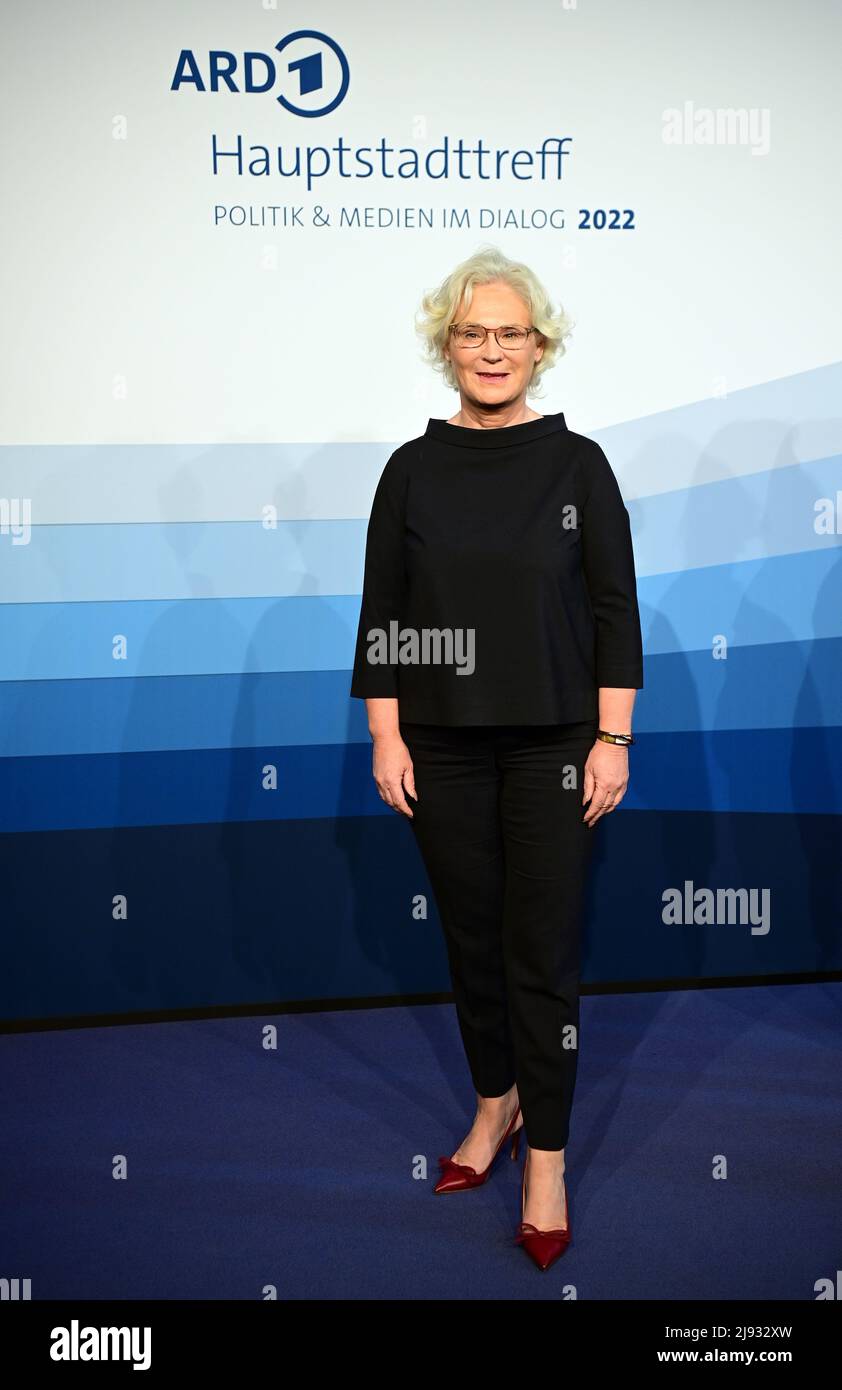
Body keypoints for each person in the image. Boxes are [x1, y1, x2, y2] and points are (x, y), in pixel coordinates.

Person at [350, 245, 644, 1270]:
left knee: (540, 954)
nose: (491, 349)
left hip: (556, 744)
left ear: (539, 346)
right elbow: (383, 614)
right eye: (472, 333)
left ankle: (546, 1157)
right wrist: (386, 735)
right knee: (471, 941)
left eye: (509, 333)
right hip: (439, 747)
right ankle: (492, 1105)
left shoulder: (576, 464)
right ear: (447, 346)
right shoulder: (411, 468)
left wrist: (611, 737)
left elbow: (612, 611)